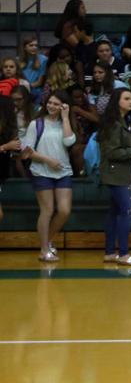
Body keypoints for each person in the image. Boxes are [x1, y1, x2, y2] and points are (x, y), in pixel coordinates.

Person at [98, 88, 131, 266]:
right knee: (128, 211)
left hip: (122, 173)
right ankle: (123, 253)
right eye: (127, 98)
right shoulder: (113, 123)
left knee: (114, 212)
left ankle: (109, 253)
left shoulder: (126, 121)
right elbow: (112, 152)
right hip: (115, 173)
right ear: (117, 101)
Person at [24, 91, 76, 263]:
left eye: (56, 104)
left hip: (63, 171)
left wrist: (66, 117)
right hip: (41, 171)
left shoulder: (65, 123)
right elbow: (27, 151)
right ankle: (44, 250)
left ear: (63, 106)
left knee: (64, 210)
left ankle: (47, 242)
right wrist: (47, 160)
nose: (52, 106)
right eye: (50, 102)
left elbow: (69, 142)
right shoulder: (36, 124)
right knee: (47, 210)